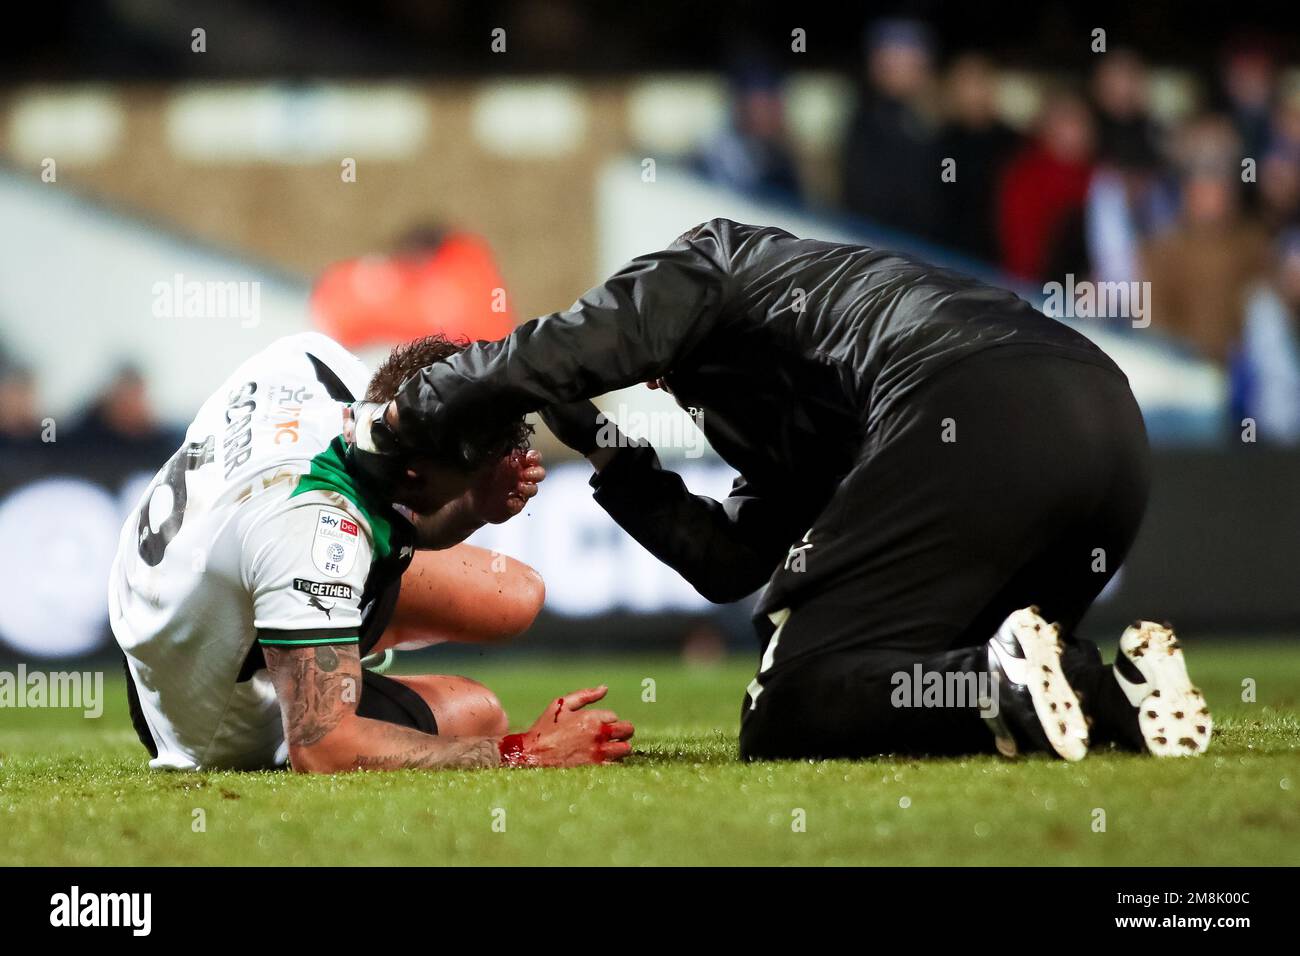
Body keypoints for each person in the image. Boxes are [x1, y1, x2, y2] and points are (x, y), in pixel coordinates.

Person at [354, 219, 1212, 763]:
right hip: (1104, 433)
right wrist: (604, 445)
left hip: (976, 408)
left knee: (790, 704)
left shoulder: (707, 263)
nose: (654, 386)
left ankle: (999, 685)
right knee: (891, 668)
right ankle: (1114, 695)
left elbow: (569, 343)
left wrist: (404, 420)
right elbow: (732, 561)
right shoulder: (789, 392)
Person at [108, 331, 633, 772]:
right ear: (413, 475)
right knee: (481, 714)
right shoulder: (312, 529)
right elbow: (323, 749)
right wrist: (525, 752)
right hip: (205, 702)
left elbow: (393, 496)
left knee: (516, 594)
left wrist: (472, 506)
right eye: (461, 482)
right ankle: (315, 650)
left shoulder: (316, 365)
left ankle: (319, 637)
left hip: (179, 600)